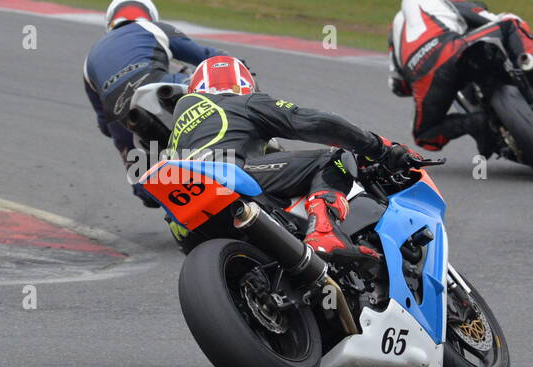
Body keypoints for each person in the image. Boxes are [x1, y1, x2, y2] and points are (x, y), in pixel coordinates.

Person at [168, 55, 421, 265]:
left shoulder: (180, 127)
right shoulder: (242, 102)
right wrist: (380, 148)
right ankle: (323, 233)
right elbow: (317, 123)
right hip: (227, 178)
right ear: (243, 84)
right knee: (333, 159)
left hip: (189, 225)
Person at [388, 0, 533, 154]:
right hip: (451, 49)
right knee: (511, 22)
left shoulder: (396, 28)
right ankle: (527, 74)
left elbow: (398, 85)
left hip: (421, 76)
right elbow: (490, 20)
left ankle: (475, 123)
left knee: (425, 135)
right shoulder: (444, 1)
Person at [82, 0, 227, 206]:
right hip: (162, 89)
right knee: (223, 101)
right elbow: (209, 57)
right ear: (149, 15)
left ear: (110, 21)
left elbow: (104, 124)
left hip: (123, 121)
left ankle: (176, 200)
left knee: (145, 189)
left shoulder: (88, 61)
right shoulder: (153, 28)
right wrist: (238, 67)